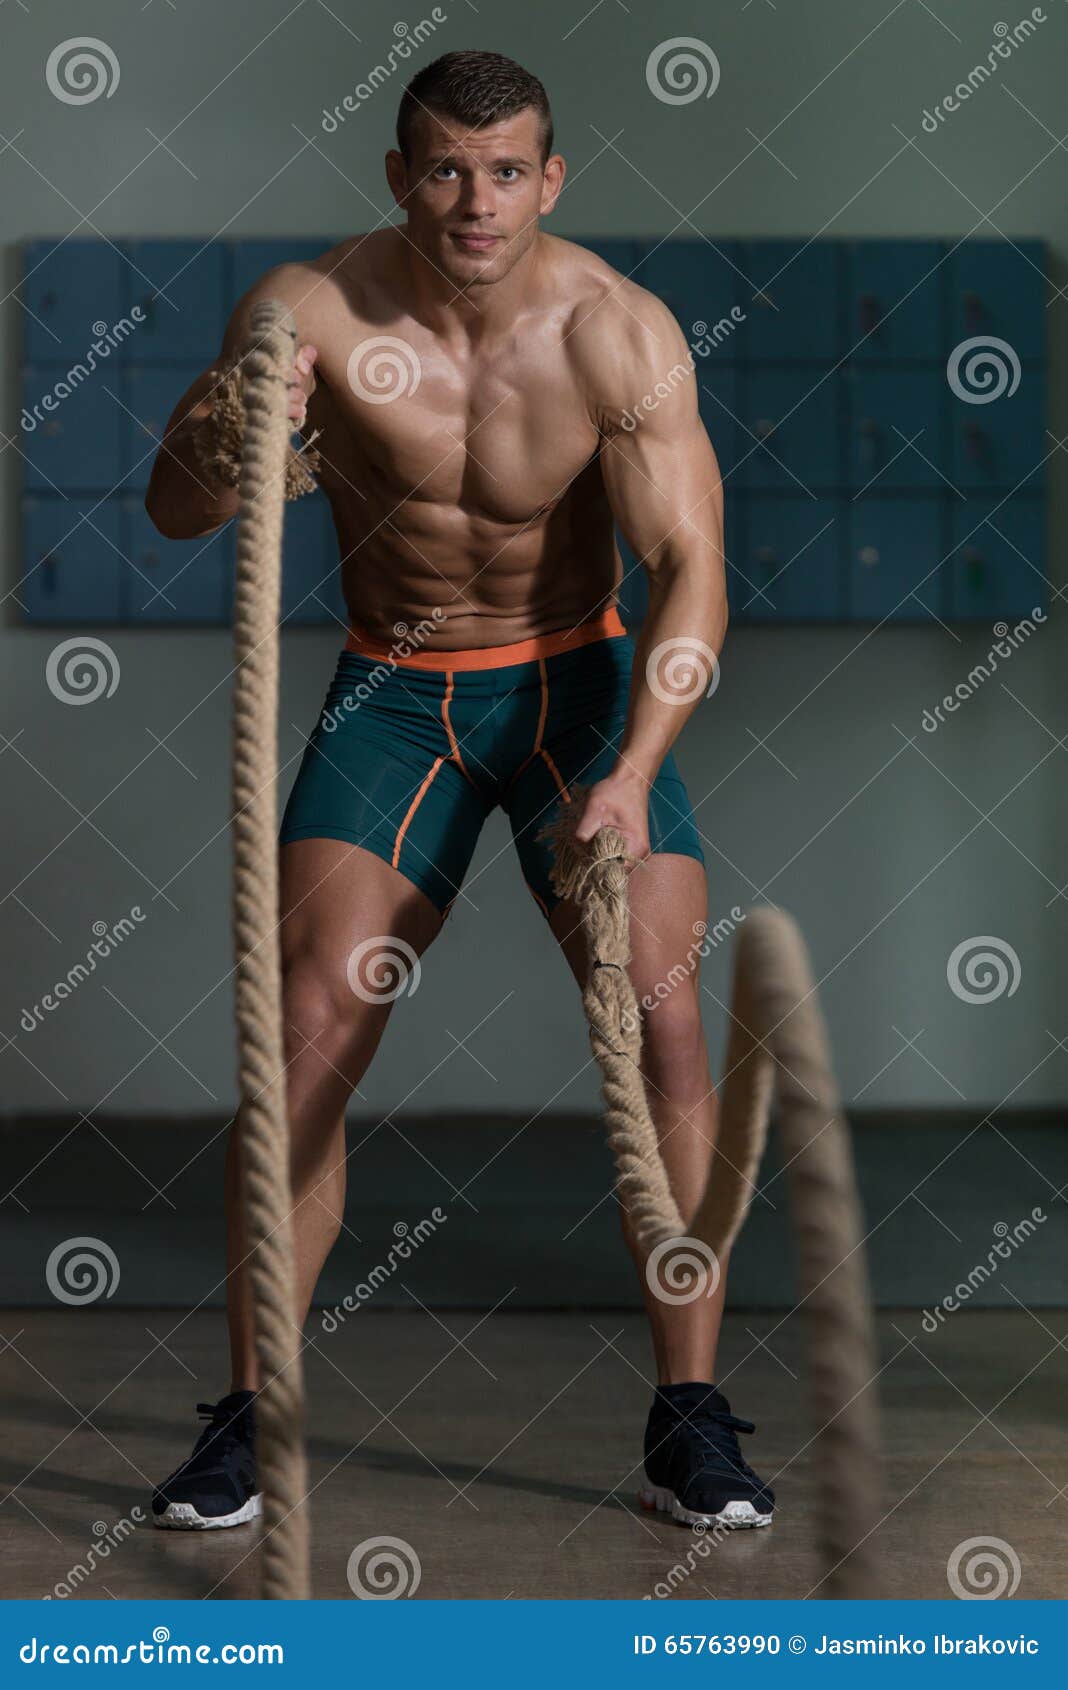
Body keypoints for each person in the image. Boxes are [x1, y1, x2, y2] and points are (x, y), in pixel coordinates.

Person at [144, 49, 773, 1536]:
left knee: (668, 1020)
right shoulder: (308, 311)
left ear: (548, 180)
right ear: (399, 174)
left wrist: (629, 777)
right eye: (443, 167)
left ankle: (689, 1420)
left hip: (581, 689)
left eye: (506, 172)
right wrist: (232, 420)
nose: (474, 200)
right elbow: (176, 506)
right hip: (397, 693)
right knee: (302, 1033)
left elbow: (693, 574)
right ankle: (248, 1416)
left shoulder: (616, 333)